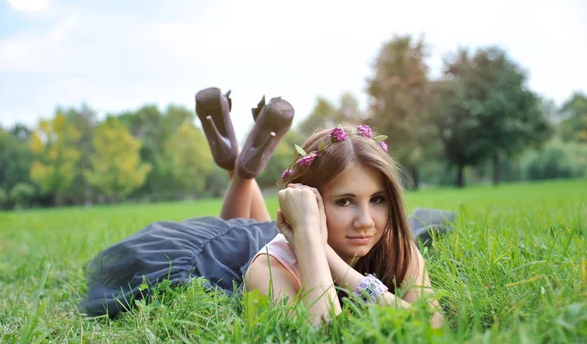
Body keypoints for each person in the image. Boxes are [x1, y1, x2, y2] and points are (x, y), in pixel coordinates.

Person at [80, 87, 454, 327]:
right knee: (233, 230)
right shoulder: (266, 271)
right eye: (345, 202)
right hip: (236, 253)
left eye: (378, 200)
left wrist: (334, 263)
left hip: (293, 234)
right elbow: (323, 338)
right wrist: (310, 240)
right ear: (308, 200)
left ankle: (241, 169)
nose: (367, 221)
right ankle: (241, 169)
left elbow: (433, 326)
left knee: (245, 224)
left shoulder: (396, 246)